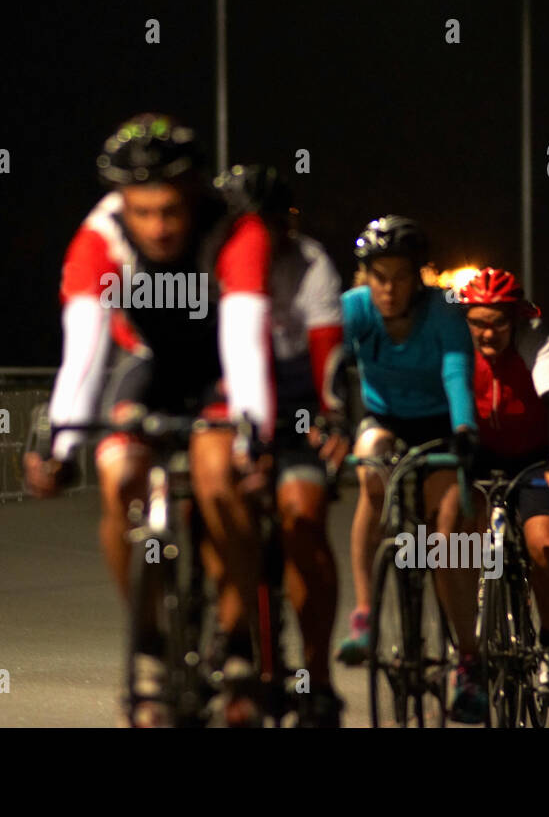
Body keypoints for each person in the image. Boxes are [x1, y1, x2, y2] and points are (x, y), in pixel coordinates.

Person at [23, 114, 275, 726]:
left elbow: (245, 343)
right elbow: (84, 353)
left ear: (193, 194)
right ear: (121, 203)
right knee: (119, 478)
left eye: (170, 210)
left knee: (219, 479)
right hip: (147, 365)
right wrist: (59, 439)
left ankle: (243, 645)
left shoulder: (236, 230)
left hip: (217, 371)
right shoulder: (98, 236)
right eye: (141, 211)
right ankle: (149, 644)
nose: (157, 227)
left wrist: (254, 434)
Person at [335, 215, 486, 724]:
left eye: (400, 275)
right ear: (366, 276)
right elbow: (330, 364)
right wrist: (328, 419)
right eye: (379, 275)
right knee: (370, 472)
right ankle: (364, 615)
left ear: (418, 275)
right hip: (386, 419)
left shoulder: (444, 314)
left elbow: (456, 373)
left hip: (440, 423)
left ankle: (468, 660)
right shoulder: (354, 308)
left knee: (445, 540)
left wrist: (465, 432)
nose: (389, 287)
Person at [214, 164, 350, 726]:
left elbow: (327, 357)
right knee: (220, 510)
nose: (259, 240)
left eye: (270, 226)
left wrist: (334, 417)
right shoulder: (210, 258)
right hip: (231, 399)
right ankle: (235, 652)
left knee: (303, 517)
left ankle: (316, 677)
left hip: (297, 402)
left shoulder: (313, 262)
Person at [457, 267, 549, 706]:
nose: (488, 333)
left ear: (515, 319)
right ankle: (464, 647)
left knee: (545, 546)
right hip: (478, 455)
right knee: (453, 541)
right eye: (478, 323)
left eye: (498, 323)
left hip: (533, 456)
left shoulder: (535, 337)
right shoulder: (456, 342)